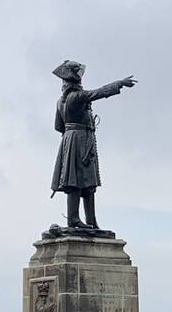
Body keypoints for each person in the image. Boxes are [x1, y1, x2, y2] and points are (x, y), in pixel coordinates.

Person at [50, 60, 136, 232]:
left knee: (88, 182)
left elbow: (58, 126)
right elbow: (98, 93)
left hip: (72, 138)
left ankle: (91, 221)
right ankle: (74, 220)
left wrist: (70, 136)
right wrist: (119, 83)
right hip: (80, 139)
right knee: (75, 181)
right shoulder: (77, 96)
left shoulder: (61, 101)